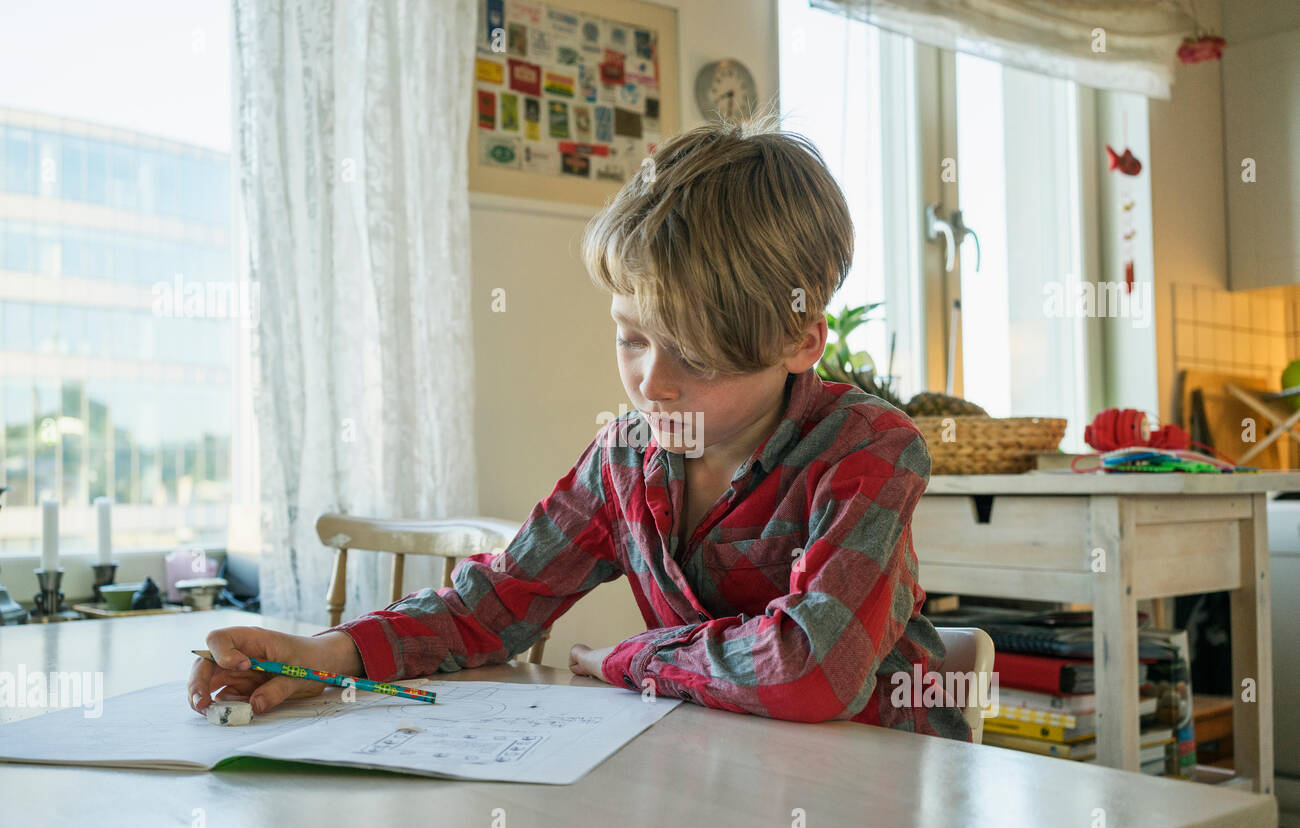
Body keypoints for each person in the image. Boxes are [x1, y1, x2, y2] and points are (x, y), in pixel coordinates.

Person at [188, 109, 971, 741]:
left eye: (695, 358)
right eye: (632, 338)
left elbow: (810, 672)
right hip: (724, 771)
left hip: (880, 790)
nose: (651, 384)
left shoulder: (869, 449)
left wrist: (631, 659)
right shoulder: (626, 460)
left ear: (801, 341)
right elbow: (489, 606)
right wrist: (331, 654)